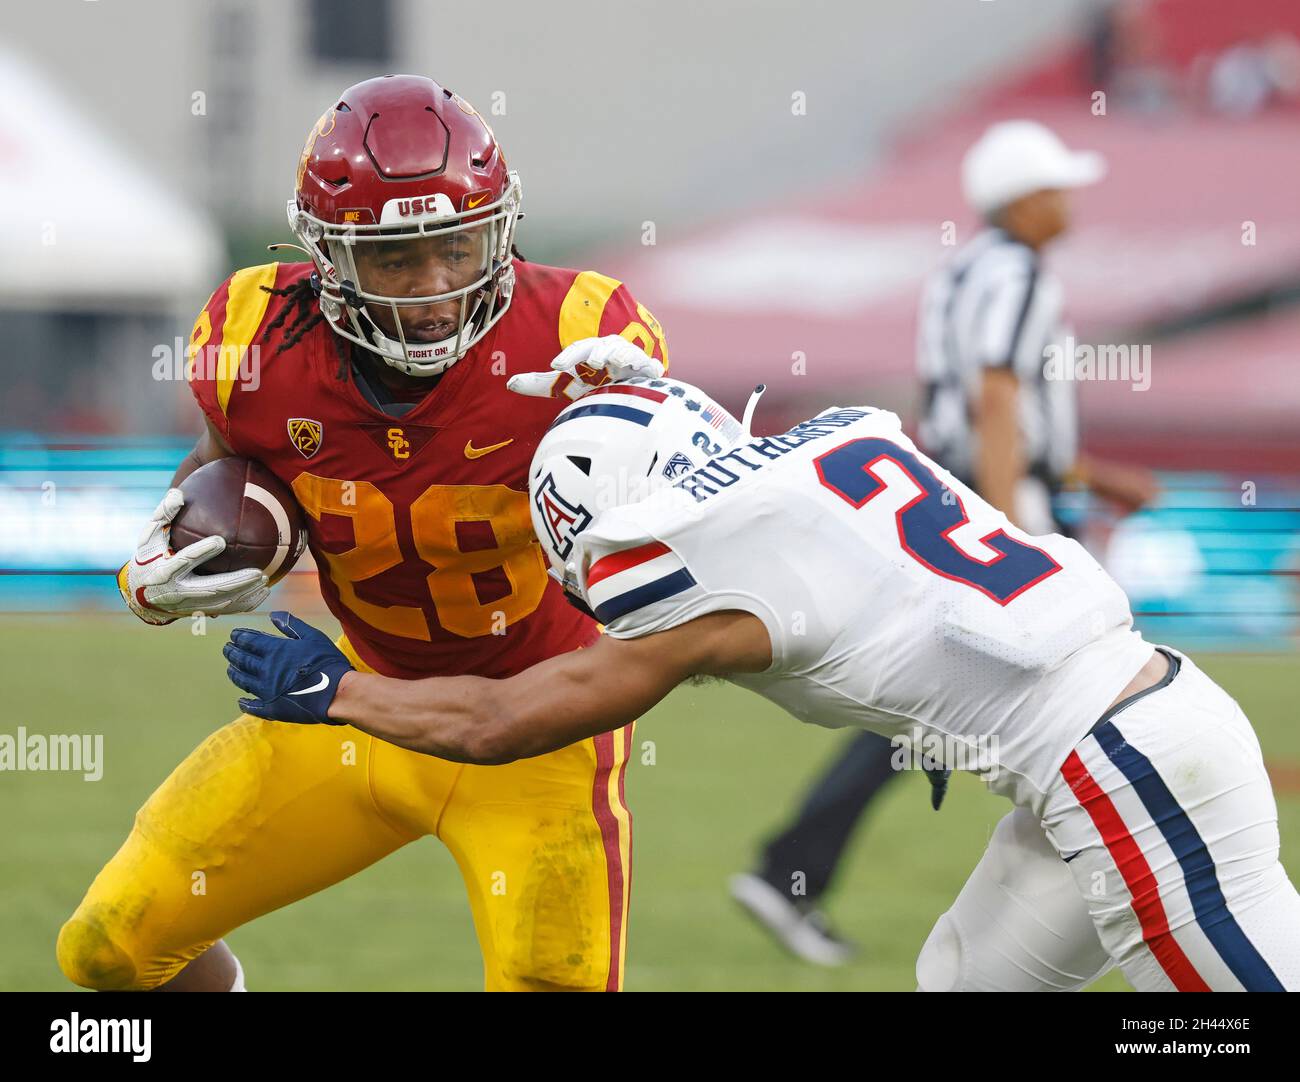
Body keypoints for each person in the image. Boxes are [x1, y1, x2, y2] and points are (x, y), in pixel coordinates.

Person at [226, 375, 1300, 991]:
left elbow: (507, 716)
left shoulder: (707, 578)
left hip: (1125, 774)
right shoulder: (817, 452)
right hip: (1119, 745)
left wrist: (341, 694)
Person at [57, 74, 669, 993]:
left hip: (541, 731)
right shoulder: (255, 336)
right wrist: (156, 566)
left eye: (457, 248)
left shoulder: (583, 340)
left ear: (498, 232)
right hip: (348, 704)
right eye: (395, 260)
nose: (432, 290)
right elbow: (229, 475)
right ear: (330, 258)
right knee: (109, 951)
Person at [736, 118, 1161, 962]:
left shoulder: (963, 271)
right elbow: (999, 399)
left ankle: (796, 868)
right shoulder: (1018, 274)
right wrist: (1010, 534)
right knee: (1085, 701)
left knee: (936, 716)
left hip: (964, 495)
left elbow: (999, 409)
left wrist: (1094, 476)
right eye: (1058, 186)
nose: (1069, 200)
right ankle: (1125, 893)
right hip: (1003, 512)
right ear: (1024, 199)